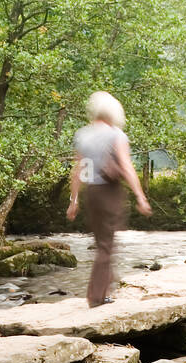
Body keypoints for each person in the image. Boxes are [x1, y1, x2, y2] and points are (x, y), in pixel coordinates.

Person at [67, 91, 151, 308]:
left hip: (91, 193)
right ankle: (97, 296)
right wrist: (140, 196)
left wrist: (73, 200)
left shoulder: (83, 134)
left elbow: (77, 170)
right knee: (106, 245)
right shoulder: (116, 135)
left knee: (102, 242)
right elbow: (126, 166)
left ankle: (105, 283)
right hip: (109, 192)